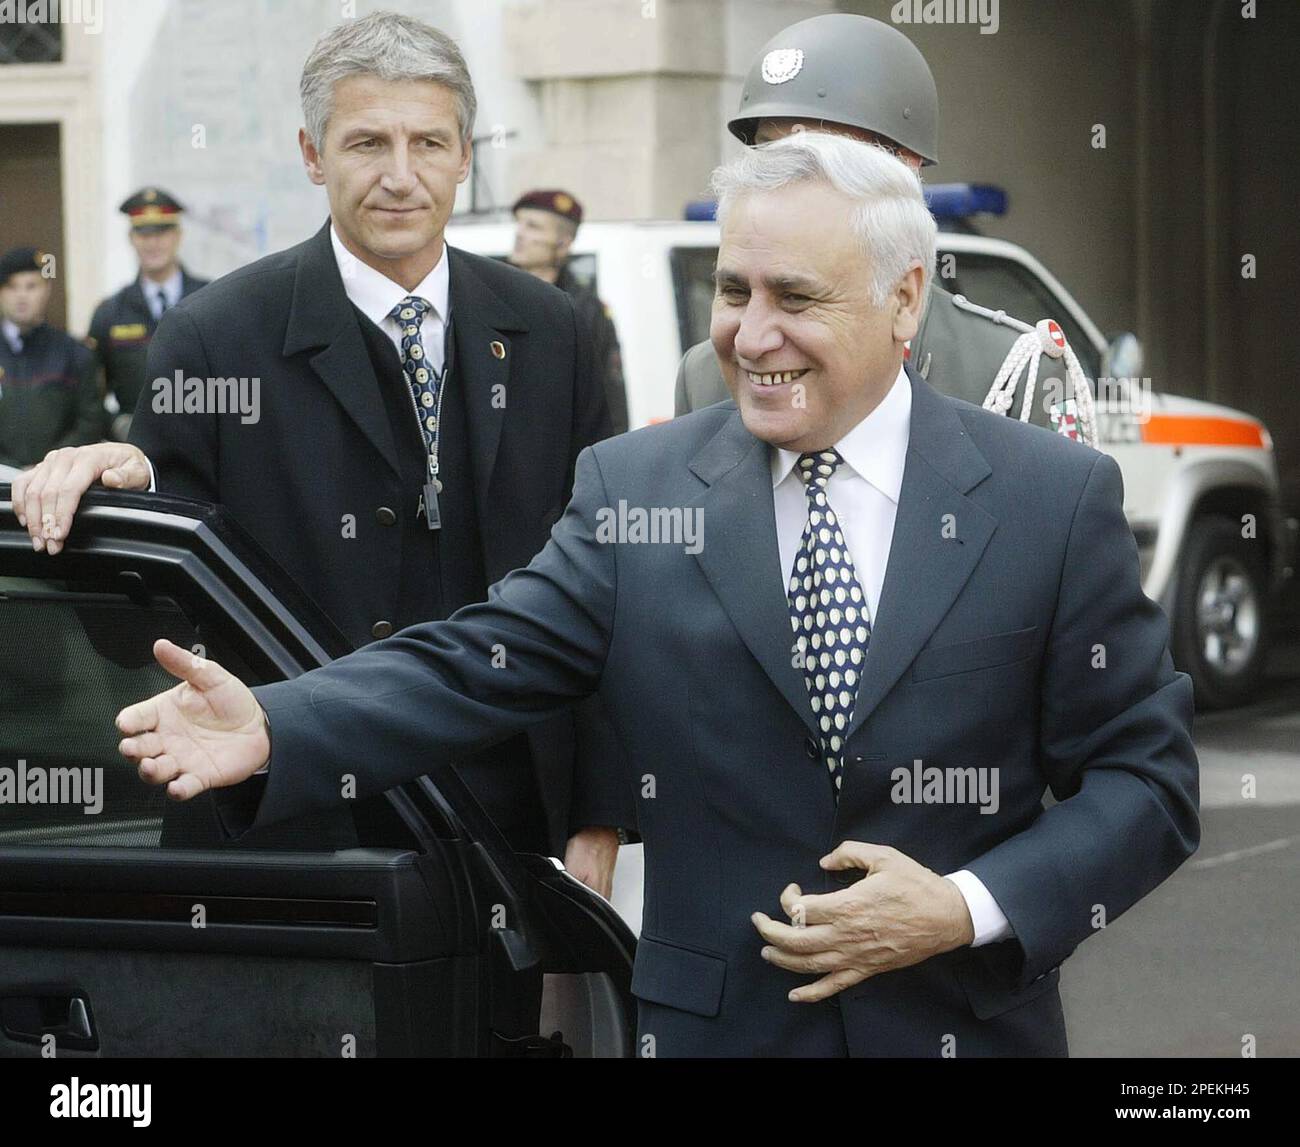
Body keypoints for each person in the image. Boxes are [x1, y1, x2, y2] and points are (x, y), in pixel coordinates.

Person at [118, 134, 1199, 1057]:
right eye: (734, 291)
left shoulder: (1047, 498)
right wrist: (275, 722)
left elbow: (1145, 783)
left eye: (797, 297)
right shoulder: (636, 492)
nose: (750, 334)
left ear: (903, 297)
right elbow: (477, 657)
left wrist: (961, 907)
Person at [11, 12, 628, 897]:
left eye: (429, 143)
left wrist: (595, 820)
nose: (400, 176)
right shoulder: (216, 336)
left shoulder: (554, 331)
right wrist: (117, 497)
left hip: (508, 840)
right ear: (312, 153)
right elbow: (142, 623)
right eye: (367, 142)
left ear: (466, 156)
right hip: (289, 844)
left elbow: (604, 596)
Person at [675, 12, 1096, 447]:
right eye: (769, 156)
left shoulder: (1010, 372)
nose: (789, 181)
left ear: (906, 167)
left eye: (824, 159)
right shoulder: (707, 375)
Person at [87, 188, 210, 441]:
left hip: (202, 439)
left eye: (162, 232)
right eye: (144, 234)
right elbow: (88, 395)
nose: (153, 243)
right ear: (131, 238)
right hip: (134, 447)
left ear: (178, 236)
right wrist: (116, 423)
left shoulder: (210, 300)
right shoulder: (110, 313)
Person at [509, 189, 628, 434]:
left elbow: (609, 396)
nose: (519, 233)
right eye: (519, 224)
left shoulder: (585, 311)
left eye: (533, 227)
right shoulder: (491, 293)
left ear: (563, 244)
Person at [0, 246, 103, 468]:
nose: (21, 295)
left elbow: (90, 422)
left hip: (57, 480)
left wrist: (48, 466)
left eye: (31, 286)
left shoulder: (74, 353)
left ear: (46, 289)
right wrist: (7, 468)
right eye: (11, 286)